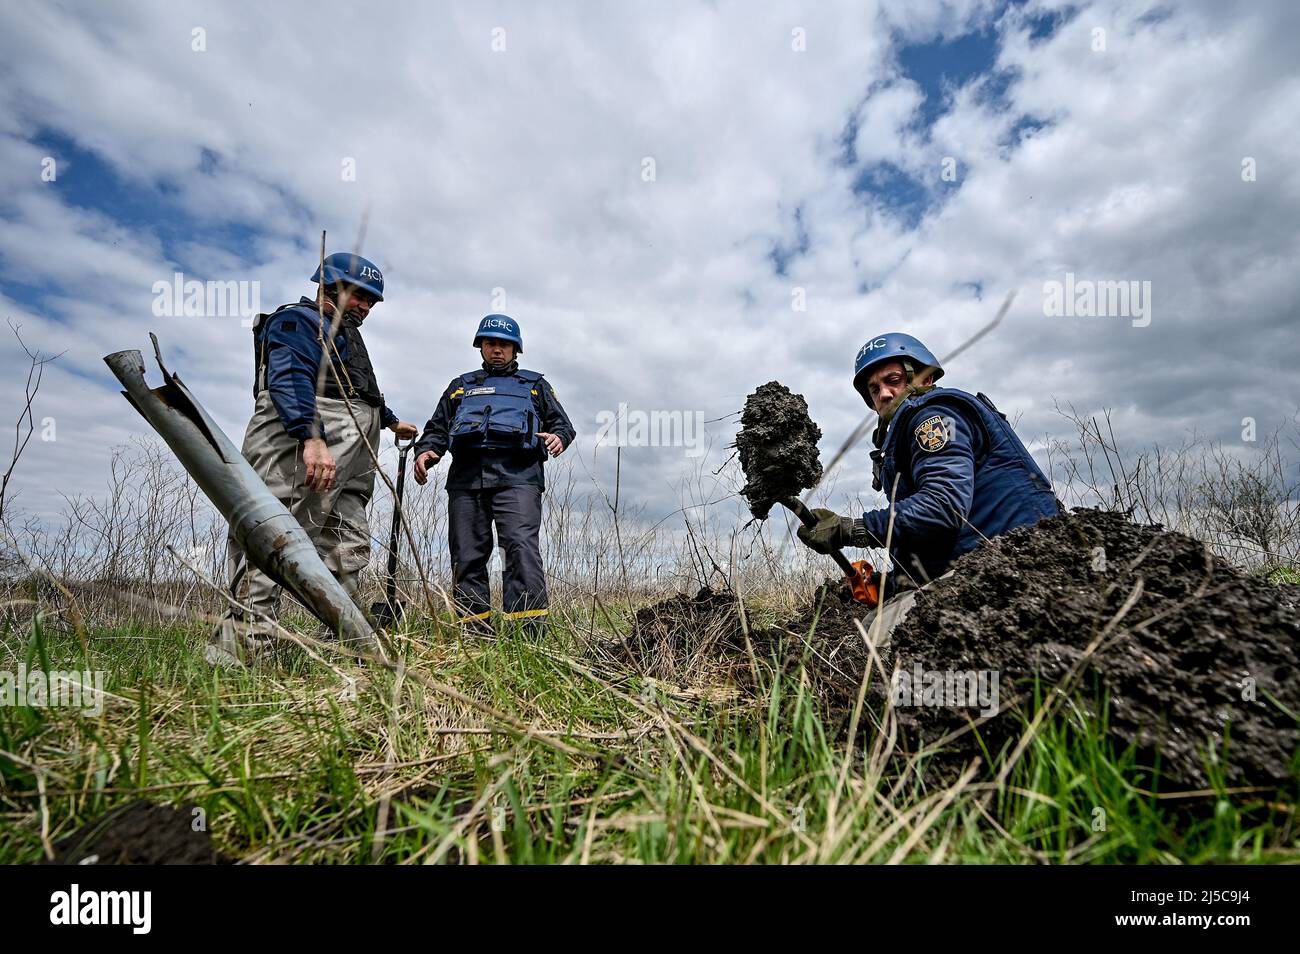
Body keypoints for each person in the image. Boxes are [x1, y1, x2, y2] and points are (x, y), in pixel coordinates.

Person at [207, 252, 418, 666]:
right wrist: (311, 436)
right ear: (328, 286)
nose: (365, 307)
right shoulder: (295, 321)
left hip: (353, 449)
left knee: (347, 541)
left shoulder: (342, 334)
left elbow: (355, 387)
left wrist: (390, 422)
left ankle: (341, 644)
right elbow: (288, 377)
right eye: (359, 296)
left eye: (371, 302)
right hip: (304, 441)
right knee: (276, 536)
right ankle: (242, 652)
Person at [797, 332, 1060, 604]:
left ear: (925, 378)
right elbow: (936, 537)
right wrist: (890, 584)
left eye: (893, 380)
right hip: (994, 567)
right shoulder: (909, 429)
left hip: (1016, 570)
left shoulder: (934, 417)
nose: (884, 394)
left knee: (876, 638)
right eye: (874, 389)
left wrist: (850, 529)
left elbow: (943, 506)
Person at [412, 315, 575, 634]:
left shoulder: (535, 385)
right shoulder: (461, 386)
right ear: (481, 347)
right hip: (466, 482)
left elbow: (563, 425)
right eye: (490, 343)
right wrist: (426, 451)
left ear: (516, 349)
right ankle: (474, 634)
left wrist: (559, 438)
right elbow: (437, 428)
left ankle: (528, 633)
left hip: (519, 479)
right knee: (467, 553)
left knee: (520, 549)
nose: (497, 350)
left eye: (504, 344)